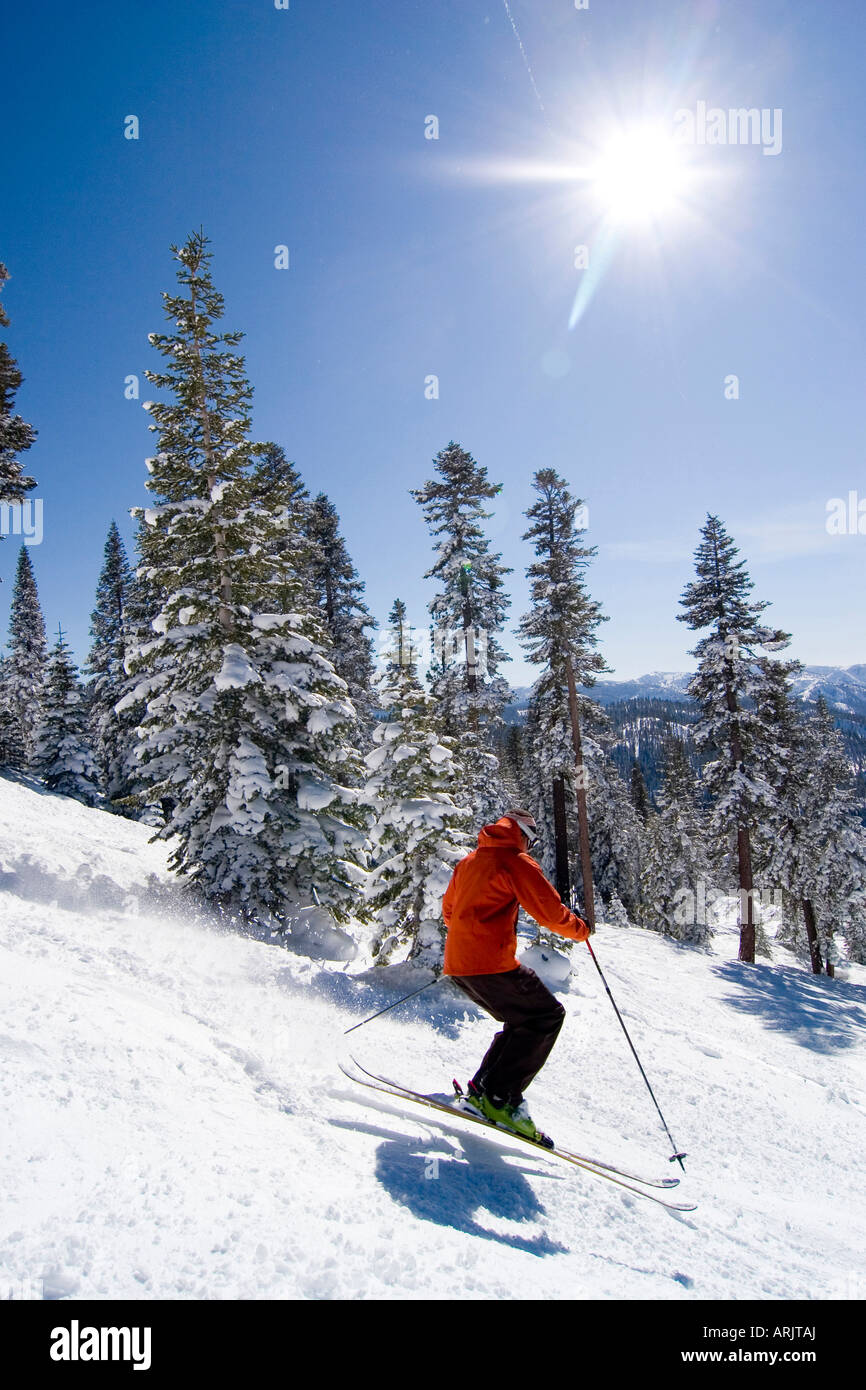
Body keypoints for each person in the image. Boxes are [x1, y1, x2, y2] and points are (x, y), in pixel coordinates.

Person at [442, 808, 590, 1146]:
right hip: (489, 962)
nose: (531, 846)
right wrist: (580, 930)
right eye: (532, 839)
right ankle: (500, 1098)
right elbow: (549, 912)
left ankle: (484, 1090)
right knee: (546, 1016)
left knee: (523, 1019)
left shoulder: (469, 862)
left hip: (458, 962)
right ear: (521, 832)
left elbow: (449, 911)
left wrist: (469, 940)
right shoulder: (515, 861)